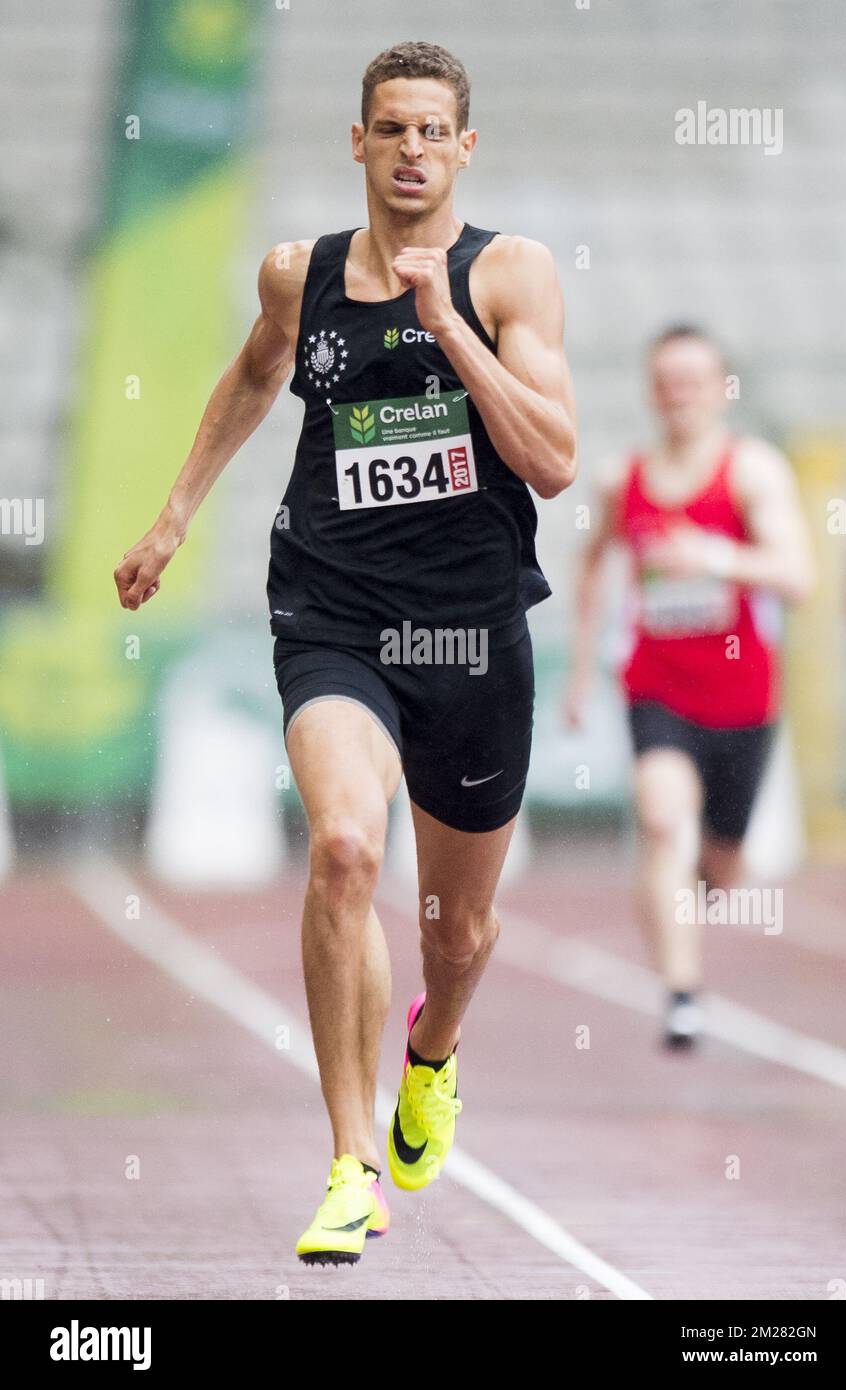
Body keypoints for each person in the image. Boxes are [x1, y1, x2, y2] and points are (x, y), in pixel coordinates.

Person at [114, 40, 577, 1264]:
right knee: (343, 848)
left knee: (457, 935)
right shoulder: (297, 275)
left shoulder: (511, 275)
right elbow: (254, 375)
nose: (412, 150)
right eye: (391, 129)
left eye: (434, 131)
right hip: (336, 616)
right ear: (358, 142)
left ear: (463, 148)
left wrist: (449, 332)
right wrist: (172, 516)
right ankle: (348, 1163)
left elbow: (556, 457)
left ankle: (432, 1056)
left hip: (474, 634)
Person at [562, 326, 812, 1047]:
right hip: (657, 688)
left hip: (741, 697)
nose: (680, 394)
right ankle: (681, 996)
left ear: (720, 388)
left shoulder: (751, 472)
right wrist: (582, 673)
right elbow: (587, 571)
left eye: (694, 380)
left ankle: (694, 900)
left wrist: (712, 554)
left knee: (721, 866)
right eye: (667, 380)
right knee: (661, 817)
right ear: (650, 390)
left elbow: (798, 577)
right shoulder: (623, 479)